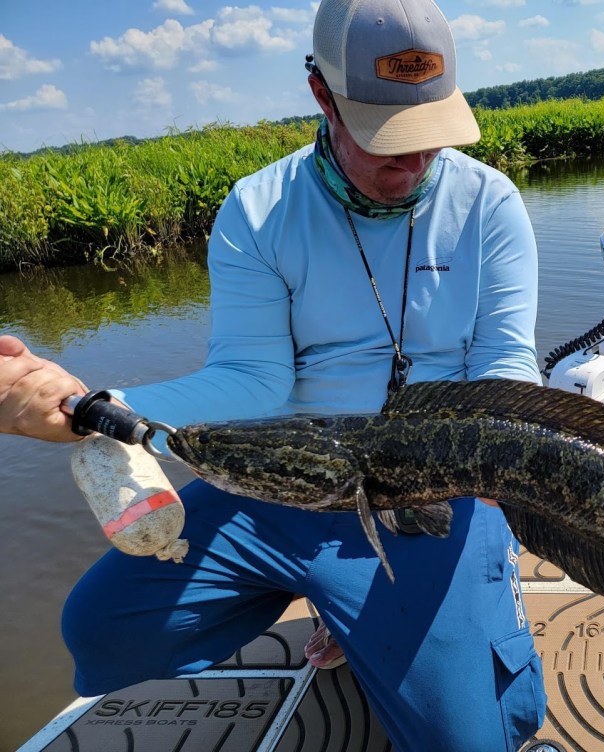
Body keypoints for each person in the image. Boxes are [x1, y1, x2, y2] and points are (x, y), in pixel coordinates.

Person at [0, 0, 548, 748]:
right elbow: (251, 380)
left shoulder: (489, 204)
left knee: (470, 741)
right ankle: (341, 606)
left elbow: (505, 365)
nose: (415, 164)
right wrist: (91, 406)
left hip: (429, 493)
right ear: (321, 95)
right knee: (102, 629)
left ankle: (430, 615)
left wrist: (507, 461)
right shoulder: (258, 211)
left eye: (431, 137)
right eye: (387, 140)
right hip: (286, 483)